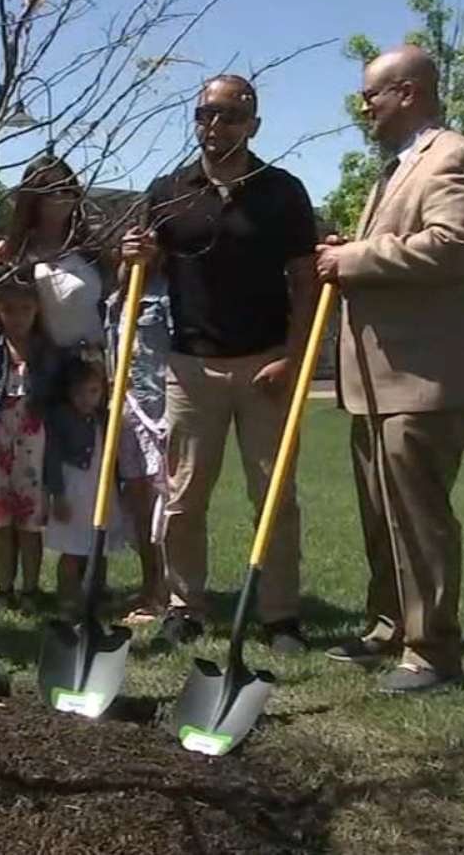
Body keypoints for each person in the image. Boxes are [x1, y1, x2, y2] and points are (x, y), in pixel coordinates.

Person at [313, 45, 464, 694]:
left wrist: (357, 260)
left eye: (374, 93)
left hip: (428, 378)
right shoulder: (393, 170)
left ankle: (432, 653)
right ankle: (389, 624)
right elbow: (398, 244)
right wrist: (354, 251)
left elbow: (453, 246)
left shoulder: (455, 157)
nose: (363, 105)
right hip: (379, 381)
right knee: (380, 511)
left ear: (412, 92)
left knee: (417, 515)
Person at [120, 74, 322, 654]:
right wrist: (133, 257)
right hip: (190, 366)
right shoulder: (169, 191)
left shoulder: (282, 191)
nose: (216, 126)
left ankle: (281, 617)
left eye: (230, 115)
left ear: (253, 125)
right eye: (206, 114)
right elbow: (134, 275)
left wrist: (293, 356)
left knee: (275, 495)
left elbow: (304, 283)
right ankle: (185, 606)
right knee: (182, 496)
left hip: (266, 364)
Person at [0, 272, 62, 611]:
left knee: (30, 519)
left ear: (37, 310)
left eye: (25, 308)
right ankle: (3, 588)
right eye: (9, 309)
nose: (18, 316)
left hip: (34, 436)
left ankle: (31, 589)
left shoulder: (47, 351)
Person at [43, 356, 147, 620]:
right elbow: (52, 459)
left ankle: (95, 591)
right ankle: (68, 595)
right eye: (79, 392)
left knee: (98, 544)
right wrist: (57, 495)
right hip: (74, 489)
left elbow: (114, 457)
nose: (87, 399)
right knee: (72, 547)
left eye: (93, 391)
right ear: (68, 393)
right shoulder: (62, 420)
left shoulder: (106, 419)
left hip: (100, 489)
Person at [0, 155, 112, 360]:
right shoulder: (8, 252)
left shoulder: (92, 249)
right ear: (31, 197)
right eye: (48, 189)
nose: (60, 196)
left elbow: (118, 298)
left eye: (67, 188)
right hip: (34, 368)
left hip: (89, 370)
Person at [103, 259, 171, 624]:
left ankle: (167, 592)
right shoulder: (116, 301)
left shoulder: (168, 293)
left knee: (164, 502)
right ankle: (150, 585)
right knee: (138, 505)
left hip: (160, 410)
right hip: (125, 411)